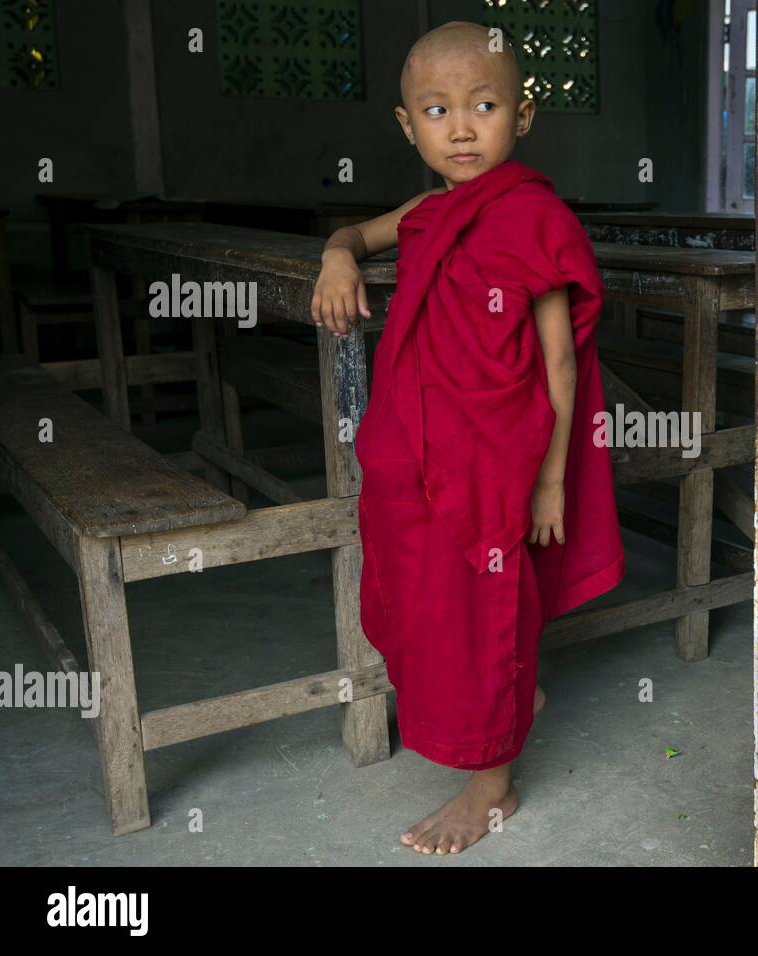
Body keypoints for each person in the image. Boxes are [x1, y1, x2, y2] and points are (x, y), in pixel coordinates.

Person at [310, 20, 624, 856]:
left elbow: (561, 364)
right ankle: (515, 700)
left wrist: (553, 479)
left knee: (483, 608)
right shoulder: (424, 211)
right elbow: (351, 236)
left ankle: (491, 786)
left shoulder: (532, 215)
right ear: (406, 124)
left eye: (482, 106)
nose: (459, 127)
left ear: (520, 117)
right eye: (437, 109)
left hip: (495, 459)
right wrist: (338, 261)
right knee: (422, 605)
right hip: (413, 457)